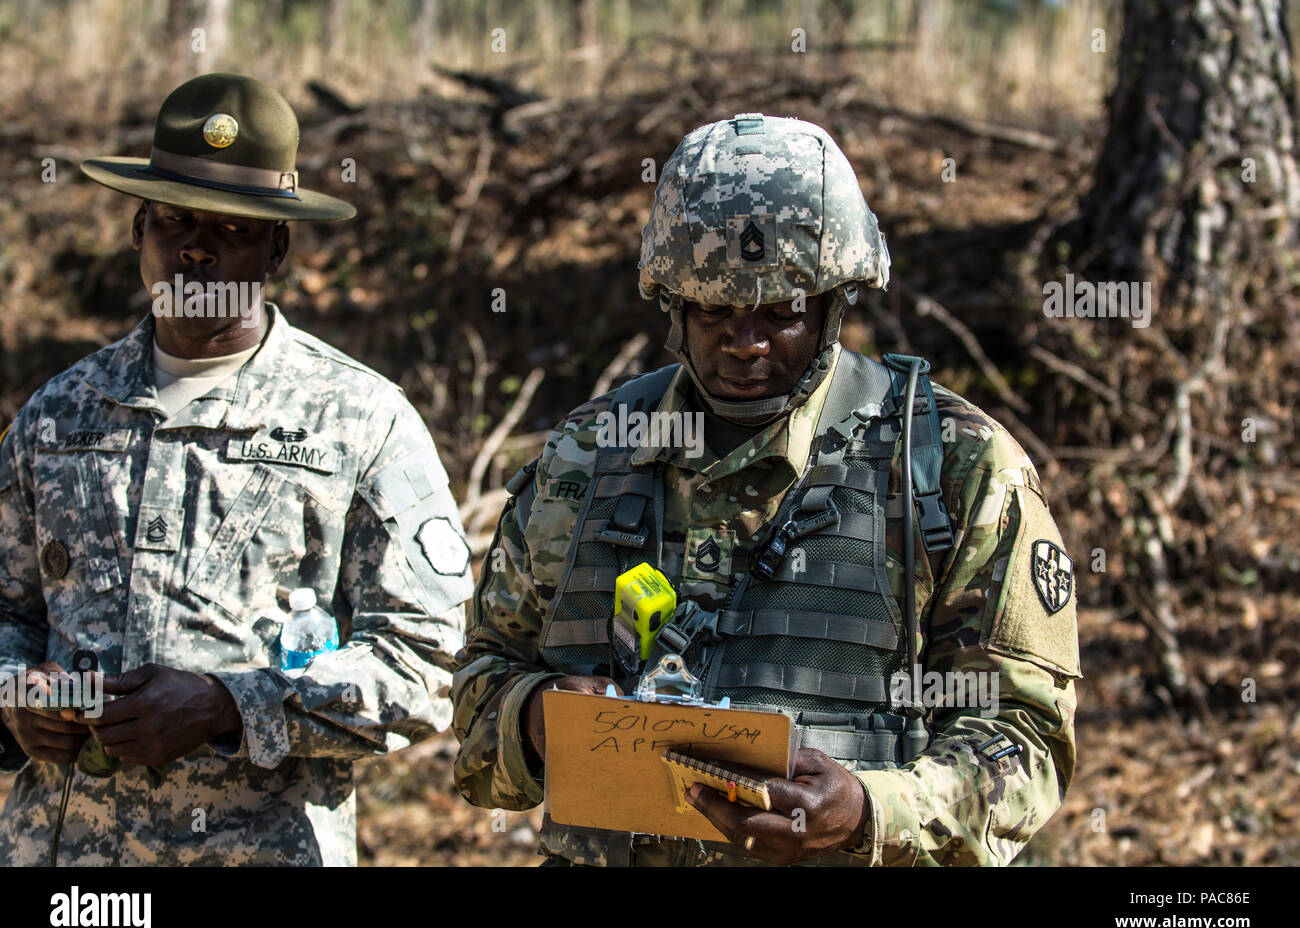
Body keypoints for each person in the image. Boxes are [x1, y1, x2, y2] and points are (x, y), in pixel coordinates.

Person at [452, 113, 1081, 866]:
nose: (745, 343)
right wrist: (533, 722)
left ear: (834, 304)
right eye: (715, 309)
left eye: (781, 313)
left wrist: (870, 812)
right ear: (673, 305)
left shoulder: (953, 466)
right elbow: (483, 679)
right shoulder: (589, 456)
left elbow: (1025, 739)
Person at [0, 73, 473, 865]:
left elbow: (426, 666)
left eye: (232, 228)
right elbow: (7, 612)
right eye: (175, 221)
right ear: (137, 231)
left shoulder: (359, 420)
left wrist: (229, 707)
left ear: (277, 248)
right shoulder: (57, 415)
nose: (196, 247)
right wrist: (17, 691)